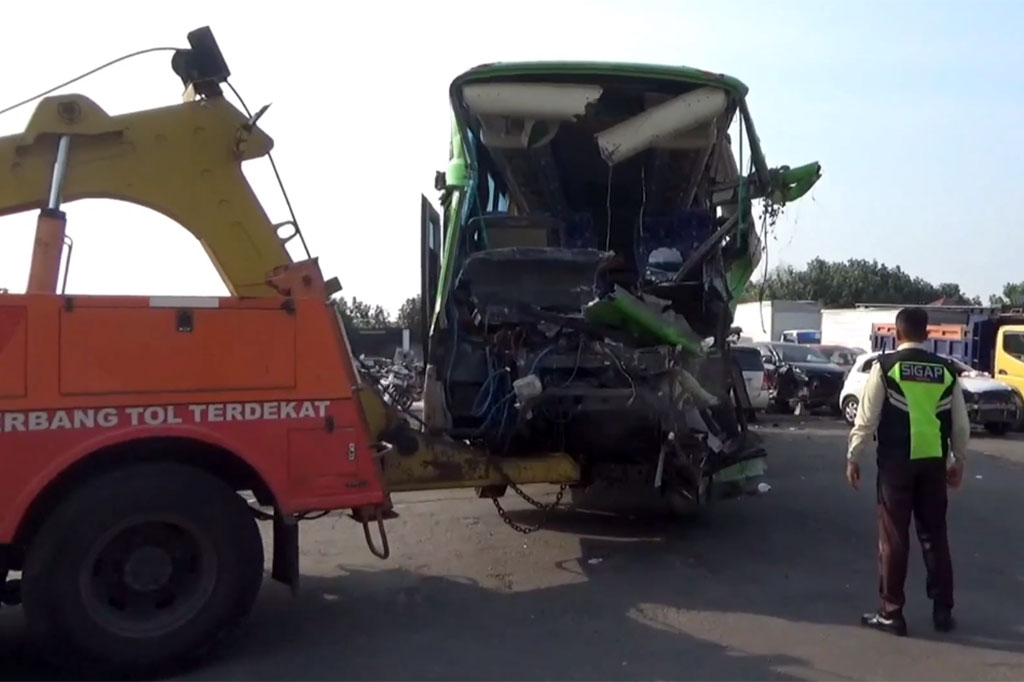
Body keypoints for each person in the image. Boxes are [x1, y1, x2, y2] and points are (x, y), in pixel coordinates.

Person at [846, 306, 970, 637]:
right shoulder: (946, 370)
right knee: (934, 536)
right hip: (933, 462)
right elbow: (960, 423)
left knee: (894, 538)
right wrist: (959, 460)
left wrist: (853, 455)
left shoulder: (885, 367)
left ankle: (891, 612)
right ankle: (943, 611)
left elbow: (867, 417)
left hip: (896, 465)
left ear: (897, 334)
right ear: (927, 334)